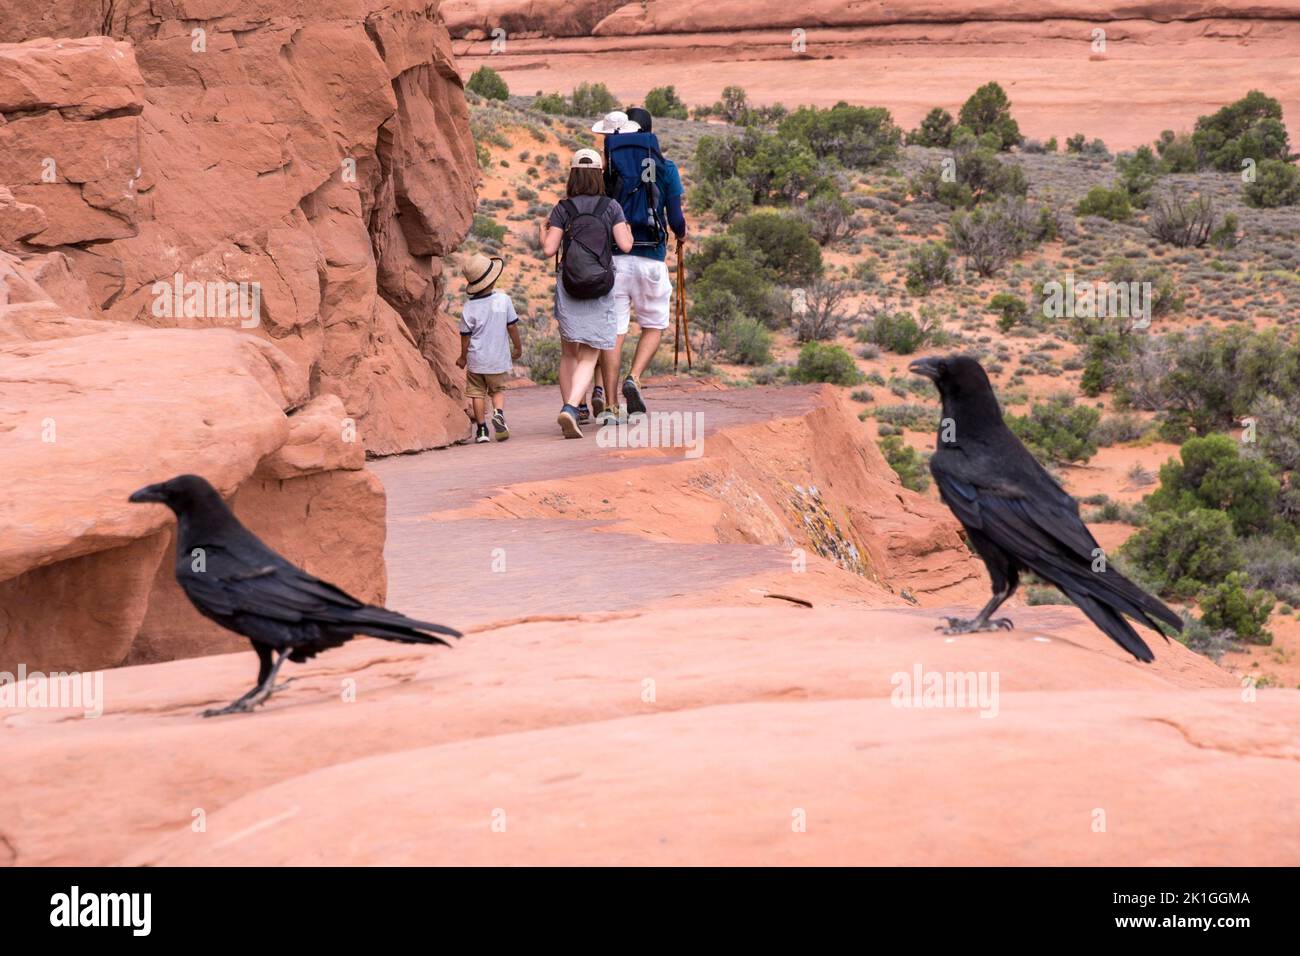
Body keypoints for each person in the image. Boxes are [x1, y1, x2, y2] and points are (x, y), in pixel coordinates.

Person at [600, 105, 687, 419]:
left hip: (615, 258)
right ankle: (634, 377)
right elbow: (675, 217)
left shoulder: (610, 165)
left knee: (614, 332)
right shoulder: (666, 167)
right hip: (651, 258)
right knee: (653, 326)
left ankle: (609, 405)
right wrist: (682, 234)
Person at [540, 148, 634, 439]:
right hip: (600, 285)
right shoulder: (611, 206)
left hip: (570, 285)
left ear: (573, 175)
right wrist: (626, 228)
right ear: (598, 175)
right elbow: (626, 245)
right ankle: (570, 408)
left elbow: (548, 250)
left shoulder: (563, 208)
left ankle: (575, 410)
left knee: (569, 352)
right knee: (591, 351)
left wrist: (542, 232)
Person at [456, 252, 522, 443]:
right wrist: (517, 347)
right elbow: (512, 327)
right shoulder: (503, 300)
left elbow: (465, 338)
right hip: (497, 359)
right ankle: (499, 414)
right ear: (493, 280)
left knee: (477, 393)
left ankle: (482, 430)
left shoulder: (469, 307)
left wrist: (463, 357)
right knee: (497, 390)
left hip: (477, 360)